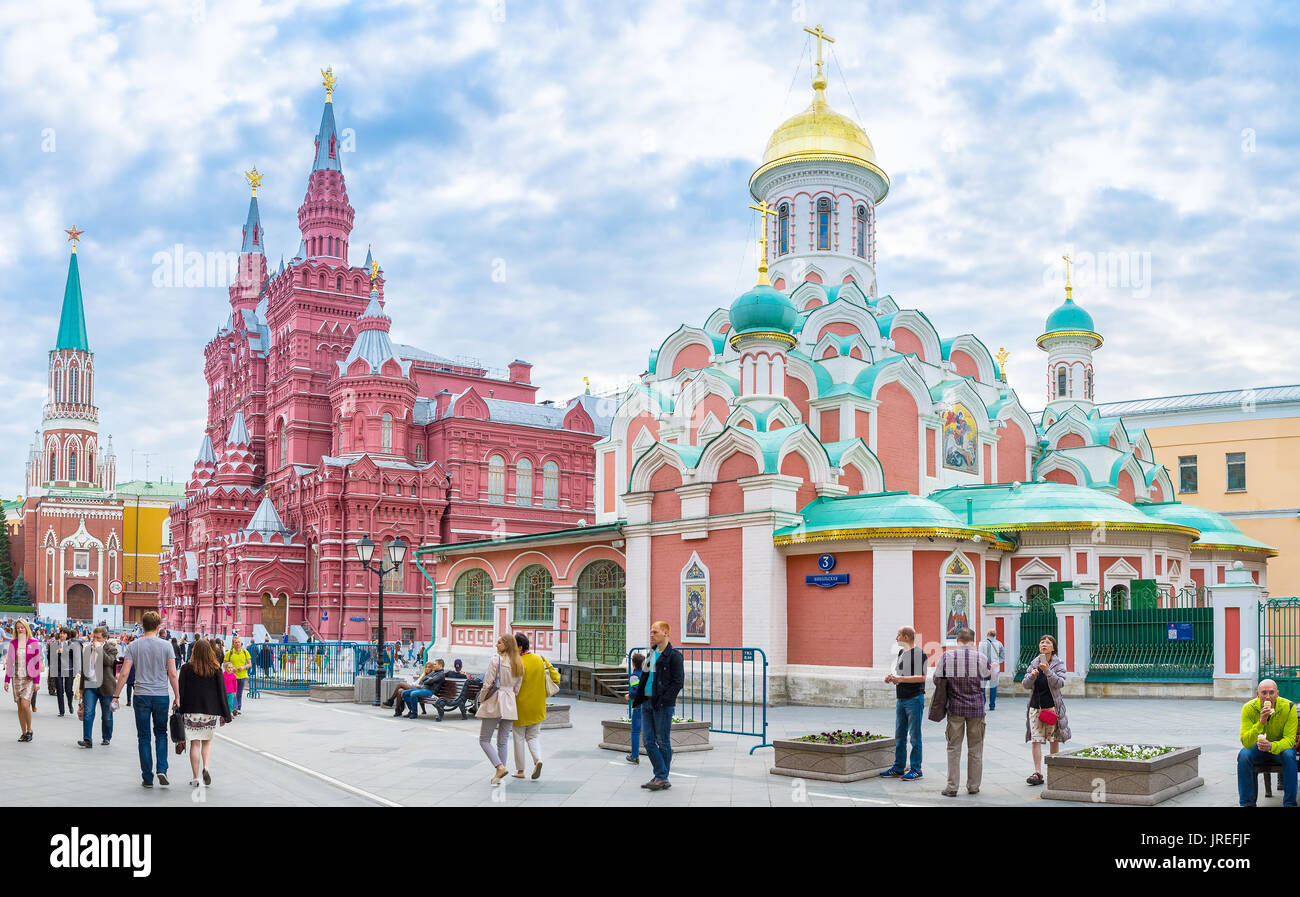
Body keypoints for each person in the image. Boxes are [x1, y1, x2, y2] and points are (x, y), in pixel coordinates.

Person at [112, 611, 182, 789]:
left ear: (142, 625)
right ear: (159, 627)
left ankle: (147, 778)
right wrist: (177, 695)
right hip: (161, 696)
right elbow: (173, 673)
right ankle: (162, 769)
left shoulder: (133, 646)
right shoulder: (166, 646)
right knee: (161, 733)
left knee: (143, 736)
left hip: (141, 695)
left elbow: (124, 673)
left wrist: (116, 695)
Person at [934, 628, 992, 797]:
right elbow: (988, 676)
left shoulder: (947, 657)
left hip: (955, 708)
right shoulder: (981, 658)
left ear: (957, 640)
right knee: (976, 748)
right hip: (976, 708)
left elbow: (937, 679)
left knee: (953, 748)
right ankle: (973, 785)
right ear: (973, 641)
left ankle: (952, 787)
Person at [631, 621, 684, 791]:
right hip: (647, 702)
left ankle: (661, 776)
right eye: (651, 632)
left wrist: (663, 700)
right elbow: (645, 677)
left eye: (655, 632)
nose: (651, 634)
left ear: (666, 633)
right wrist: (638, 698)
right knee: (647, 741)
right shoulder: (651, 653)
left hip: (662, 704)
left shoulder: (674, 656)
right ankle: (661, 776)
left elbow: (678, 683)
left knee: (662, 741)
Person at [178, 639, 233, 787]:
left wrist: (179, 710)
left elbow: (181, 692)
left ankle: (196, 777)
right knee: (207, 743)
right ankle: (206, 768)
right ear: (209, 652)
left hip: (191, 711)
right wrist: (225, 714)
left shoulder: (186, 669)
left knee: (194, 744)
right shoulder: (216, 669)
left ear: (194, 651)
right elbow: (222, 692)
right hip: (210, 711)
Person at [1236, 678, 1298, 807]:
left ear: (1277, 693)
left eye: (1271, 692)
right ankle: (1247, 804)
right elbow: (1246, 742)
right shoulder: (1248, 708)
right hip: (1258, 749)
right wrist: (1261, 723)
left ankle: (1290, 803)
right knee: (1243, 756)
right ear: (1257, 694)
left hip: (1281, 749)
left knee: (1289, 755)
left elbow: (1290, 740)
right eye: (1264, 693)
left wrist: (1272, 746)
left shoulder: (1289, 707)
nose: (1268, 697)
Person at [1022, 634, 1071, 786]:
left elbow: (1060, 683)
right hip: (1035, 708)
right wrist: (1032, 676)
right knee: (1036, 740)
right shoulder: (1034, 663)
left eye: (1048, 642)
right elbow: (1025, 684)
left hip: (1051, 708)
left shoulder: (1059, 664)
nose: (1044, 644)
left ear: (1053, 648)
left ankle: (1054, 770)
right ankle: (1037, 773)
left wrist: (1048, 671)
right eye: (1042, 642)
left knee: (1053, 739)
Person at [511, 633, 561, 780]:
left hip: (520, 707)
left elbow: (511, 685)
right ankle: (537, 759)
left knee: (519, 738)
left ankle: (520, 771)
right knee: (533, 736)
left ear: (519, 647)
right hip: (538, 705)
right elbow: (556, 678)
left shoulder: (517, 663)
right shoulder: (541, 659)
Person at [881, 625, 927, 781]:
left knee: (915, 736)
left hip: (914, 699)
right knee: (899, 736)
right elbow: (902, 675)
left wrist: (900, 679)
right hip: (901, 699)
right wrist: (893, 677)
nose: (896, 638)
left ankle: (916, 769)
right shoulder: (902, 652)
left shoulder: (920, 653)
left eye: (898, 635)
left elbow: (921, 677)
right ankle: (899, 767)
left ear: (906, 637)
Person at [477, 634, 523, 785]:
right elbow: (517, 688)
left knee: (484, 739)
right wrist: (509, 694)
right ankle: (499, 774)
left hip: (495, 700)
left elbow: (487, 683)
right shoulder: (518, 663)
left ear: (507, 645)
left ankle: (499, 767)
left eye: (499, 643)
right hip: (510, 701)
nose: (496, 645)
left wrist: (482, 698)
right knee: (502, 740)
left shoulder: (495, 660)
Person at [76, 626, 118, 748]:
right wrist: (81, 687)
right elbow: (85, 668)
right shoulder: (88, 649)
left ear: (105, 638)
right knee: (88, 712)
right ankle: (87, 739)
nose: (95, 640)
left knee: (106, 715)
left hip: (106, 686)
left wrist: (99, 649)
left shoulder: (111, 649)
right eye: (94, 637)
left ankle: (106, 737)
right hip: (90, 684)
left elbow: (109, 662)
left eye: (98, 638)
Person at [4, 619, 41, 741]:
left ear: (26, 628)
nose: (20, 629)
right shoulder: (13, 643)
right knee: (19, 706)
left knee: (25, 704)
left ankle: (30, 730)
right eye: (18, 628)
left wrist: (36, 682)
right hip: (16, 678)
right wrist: (6, 680)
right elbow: (9, 662)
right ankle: (23, 732)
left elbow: (37, 664)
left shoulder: (33, 642)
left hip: (28, 678)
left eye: (22, 627)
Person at [49, 628, 82, 717]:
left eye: (64, 633)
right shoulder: (55, 644)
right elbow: (50, 657)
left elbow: (76, 658)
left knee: (68, 690)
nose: (62, 635)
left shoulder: (72, 645)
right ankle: (61, 711)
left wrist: (78, 671)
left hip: (69, 669)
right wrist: (56, 653)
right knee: (59, 689)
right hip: (58, 669)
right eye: (61, 633)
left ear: (67, 635)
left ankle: (70, 703)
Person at [625, 652, 645, 765]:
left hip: (638, 706)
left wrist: (629, 696)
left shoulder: (634, 676)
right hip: (648, 704)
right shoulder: (645, 674)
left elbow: (635, 690)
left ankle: (635, 756)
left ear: (633, 663)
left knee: (635, 731)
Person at [224, 637, 252, 715]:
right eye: (235, 642)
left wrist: (243, 667)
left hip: (242, 676)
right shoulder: (229, 653)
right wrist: (231, 668)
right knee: (232, 693)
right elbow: (224, 663)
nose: (237, 643)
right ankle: (234, 708)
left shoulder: (245, 652)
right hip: (231, 677)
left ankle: (238, 708)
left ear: (241, 643)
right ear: (233, 644)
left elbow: (250, 664)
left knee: (239, 693)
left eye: (238, 642)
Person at [979, 629, 1005, 710]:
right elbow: (1002, 657)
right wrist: (996, 662)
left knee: (982, 687)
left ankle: (982, 704)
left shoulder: (982, 643)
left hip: (984, 669)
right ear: (995, 635)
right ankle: (992, 705)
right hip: (994, 669)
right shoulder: (999, 643)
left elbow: (979, 656)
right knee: (993, 687)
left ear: (987, 634)